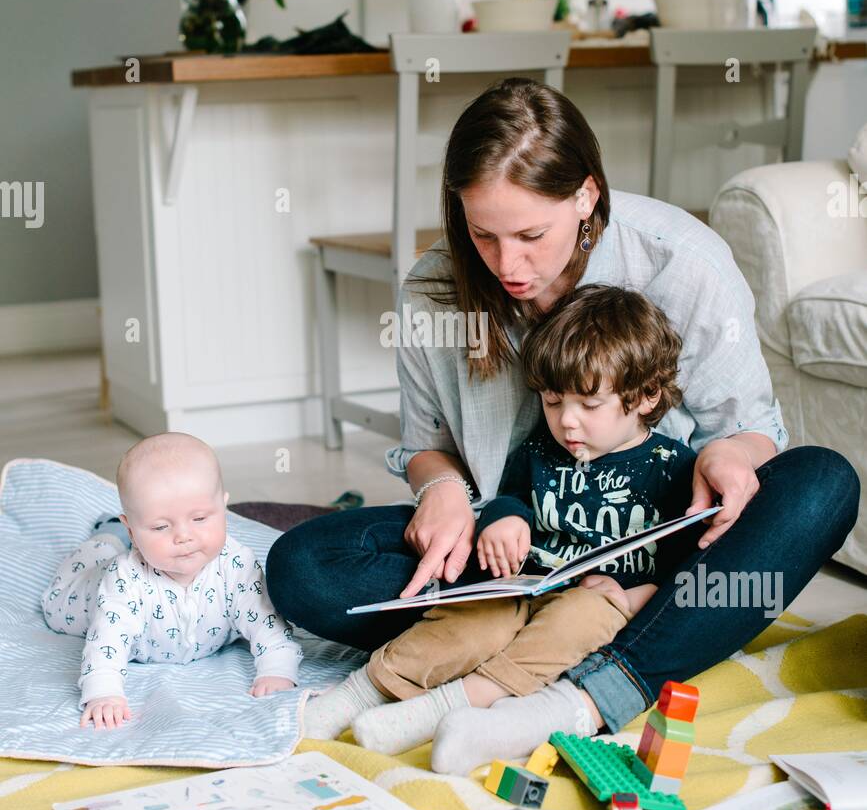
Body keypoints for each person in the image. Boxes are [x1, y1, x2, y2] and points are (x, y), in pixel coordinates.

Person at [266, 77, 859, 774]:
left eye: (529, 235)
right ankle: (617, 639)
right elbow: (427, 449)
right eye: (481, 234)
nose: (507, 265)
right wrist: (442, 494)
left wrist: (729, 456)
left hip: (640, 572)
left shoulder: (679, 262)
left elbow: (751, 427)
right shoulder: (435, 286)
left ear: (584, 196)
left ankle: (572, 700)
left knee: (820, 484)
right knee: (302, 567)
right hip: (508, 556)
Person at [304, 285, 698, 766]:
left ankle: (445, 709)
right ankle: (360, 694)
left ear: (646, 395)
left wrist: (636, 596)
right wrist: (505, 520)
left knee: (573, 626)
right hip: (524, 584)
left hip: (605, 600)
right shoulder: (541, 451)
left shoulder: (672, 467)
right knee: (469, 623)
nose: (567, 423)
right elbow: (509, 496)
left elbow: (687, 562)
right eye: (553, 403)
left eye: (588, 407)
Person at [42, 433, 300, 729]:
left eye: (200, 519)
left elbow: (270, 626)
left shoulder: (236, 564)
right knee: (69, 589)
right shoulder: (124, 579)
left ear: (223, 507)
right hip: (87, 588)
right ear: (133, 529)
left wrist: (277, 670)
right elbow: (106, 642)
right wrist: (103, 692)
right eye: (161, 526)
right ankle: (109, 532)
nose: (183, 536)